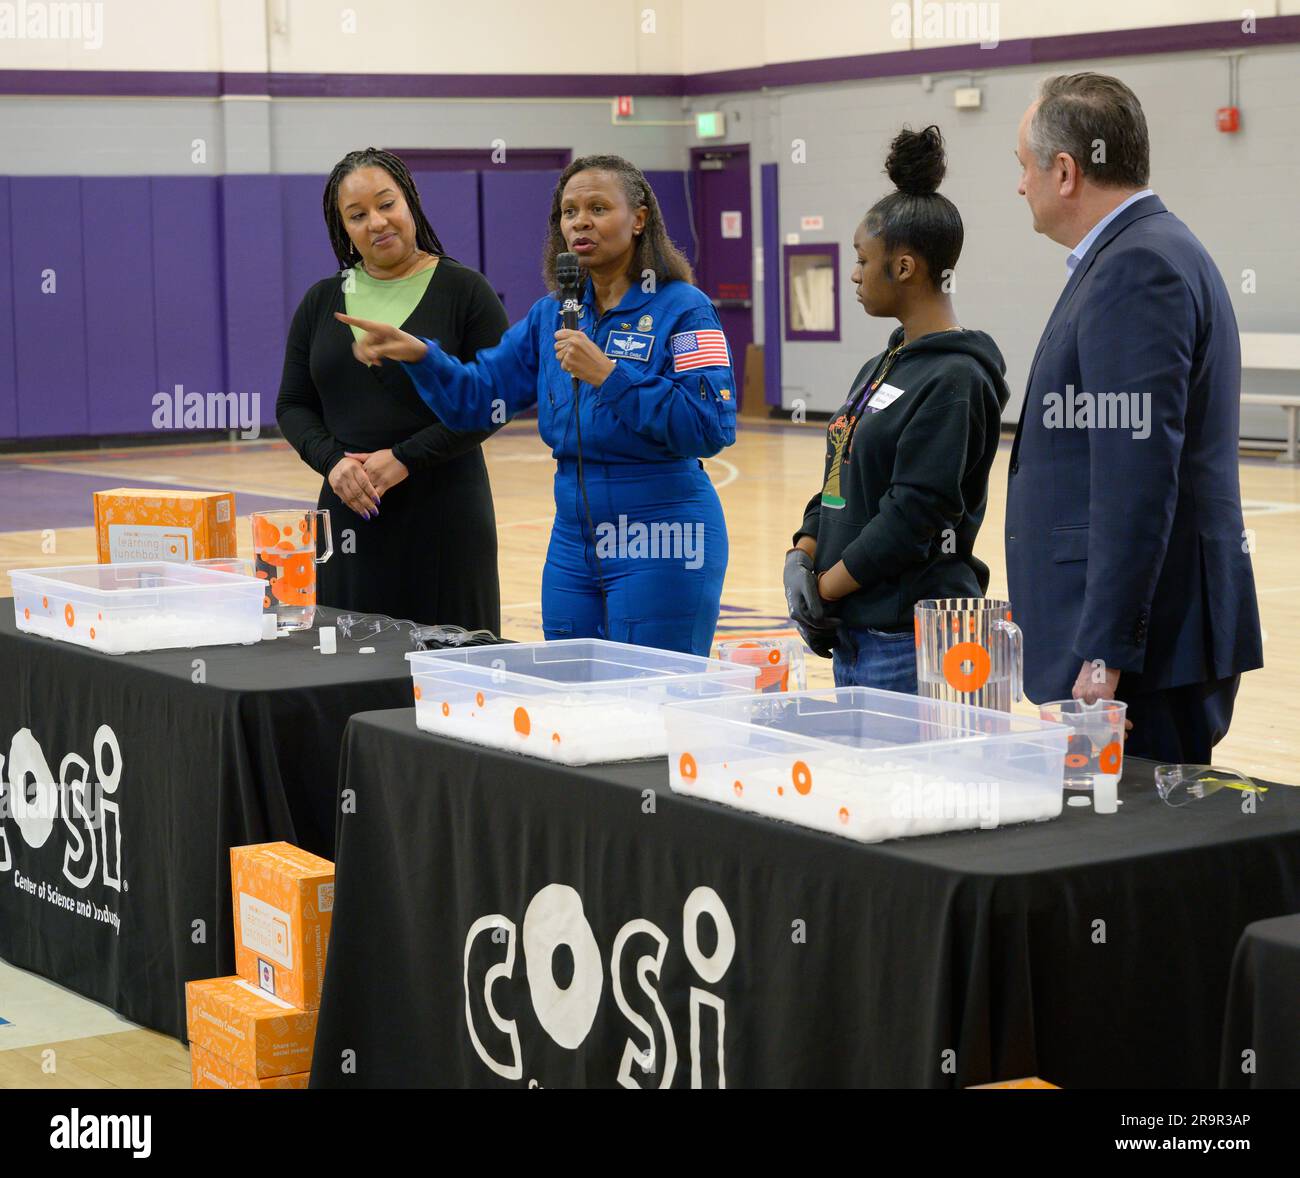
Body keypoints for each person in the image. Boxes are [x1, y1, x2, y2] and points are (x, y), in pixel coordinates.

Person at [336, 153, 735, 657]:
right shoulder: (552, 315)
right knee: (572, 695)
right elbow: (478, 401)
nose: (580, 222)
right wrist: (422, 356)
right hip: (574, 541)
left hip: (662, 535)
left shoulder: (683, 307)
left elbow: (709, 426)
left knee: (650, 699)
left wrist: (611, 378)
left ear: (638, 219)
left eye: (597, 207)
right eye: (569, 212)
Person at [1007, 73, 1263, 762]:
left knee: (1142, 855)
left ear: (1065, 171)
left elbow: (1136, 479)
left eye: (1023, 167)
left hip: (1143, 655)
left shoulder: (1137, 266)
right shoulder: (1146, 251)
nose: (1019, 185)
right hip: (1154, 639)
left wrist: (1103, 653)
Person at [785, 126, 1009, 693]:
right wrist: (802, 553)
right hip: (860, 630)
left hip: (912, 640)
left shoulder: (956, 376)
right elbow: (840, 476)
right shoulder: (884, 363)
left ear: (904, 268)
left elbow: (913, 517)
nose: (855, 274)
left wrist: (825, 591)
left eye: (863, 260)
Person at [276, 147, 507, 629]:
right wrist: (333, 463)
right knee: (351, 675)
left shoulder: (466, 291)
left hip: (446, 517)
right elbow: (293, 404)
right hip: (350, 515)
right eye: (357, 215)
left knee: (450, 677)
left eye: (387, 204)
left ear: (410, 203)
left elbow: (491, 403)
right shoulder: (321, 301)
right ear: (343, 229)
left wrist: (404, 458)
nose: (377, 222)